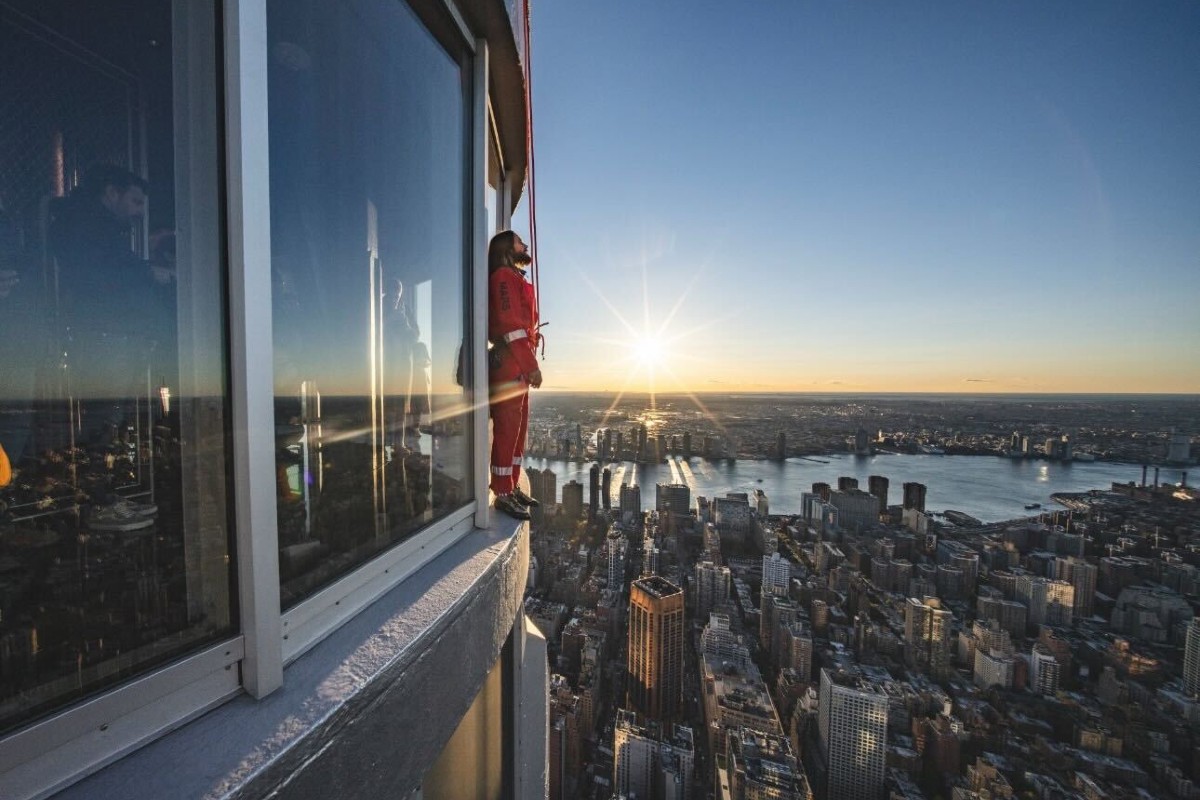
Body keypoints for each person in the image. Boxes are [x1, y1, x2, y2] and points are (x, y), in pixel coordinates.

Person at [488, 230, 543, 520]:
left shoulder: (513, 277)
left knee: (518, 429)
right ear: (508, 248)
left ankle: (511, 484)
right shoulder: (503, 279)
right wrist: (530, 364)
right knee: (507, 428)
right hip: (511, 362)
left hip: (517, 363)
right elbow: (511, 326)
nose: (525, 245)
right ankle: (502, 491)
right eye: (520, 241)